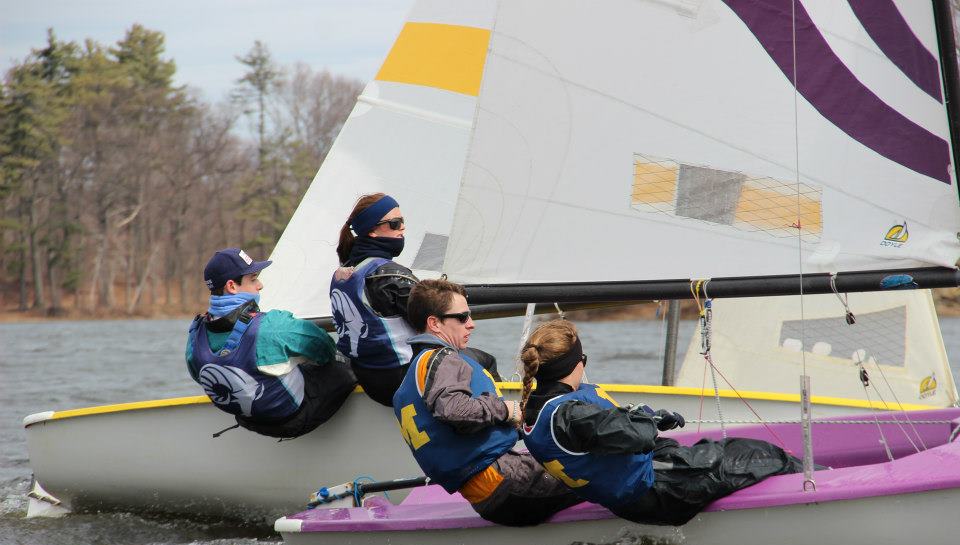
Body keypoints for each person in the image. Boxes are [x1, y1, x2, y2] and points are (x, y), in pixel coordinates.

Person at [519, 319, 804, 526]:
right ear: (576, 364)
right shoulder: (572, 415)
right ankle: (815, 488)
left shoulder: (535, 407)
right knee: (761, 454)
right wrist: (650, 418)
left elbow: (607, 431)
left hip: (640, 487)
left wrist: (649, 418)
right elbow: (638, 436)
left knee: (719, 450)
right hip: (660, 492)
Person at [392, 279, 581, 526]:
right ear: (434, 323)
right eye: (461, 317)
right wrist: (505, 409)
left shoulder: (413, 376)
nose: (471, 324)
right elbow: (453, 410)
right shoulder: (442, 360)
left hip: (489, 496)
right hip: (509, 484)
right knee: (607, 468)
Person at [331, 193, 498, 406]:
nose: (402, 228)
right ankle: (494, 421)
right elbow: (435, 318)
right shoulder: (389, 275)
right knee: (486, 361)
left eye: (402, 222)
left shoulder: (342, 275)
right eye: (394, 223)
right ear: (372, 231)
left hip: (370, 382)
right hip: (403, 379)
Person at [187, 247, 357, 439]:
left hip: (250, 422)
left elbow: (198, 375)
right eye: (253, 279)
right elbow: (325, 347)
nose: (260, 285)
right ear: (232, 286)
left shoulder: (195, 336)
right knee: (347, 361)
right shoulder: (274, 326)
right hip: (295, 420)